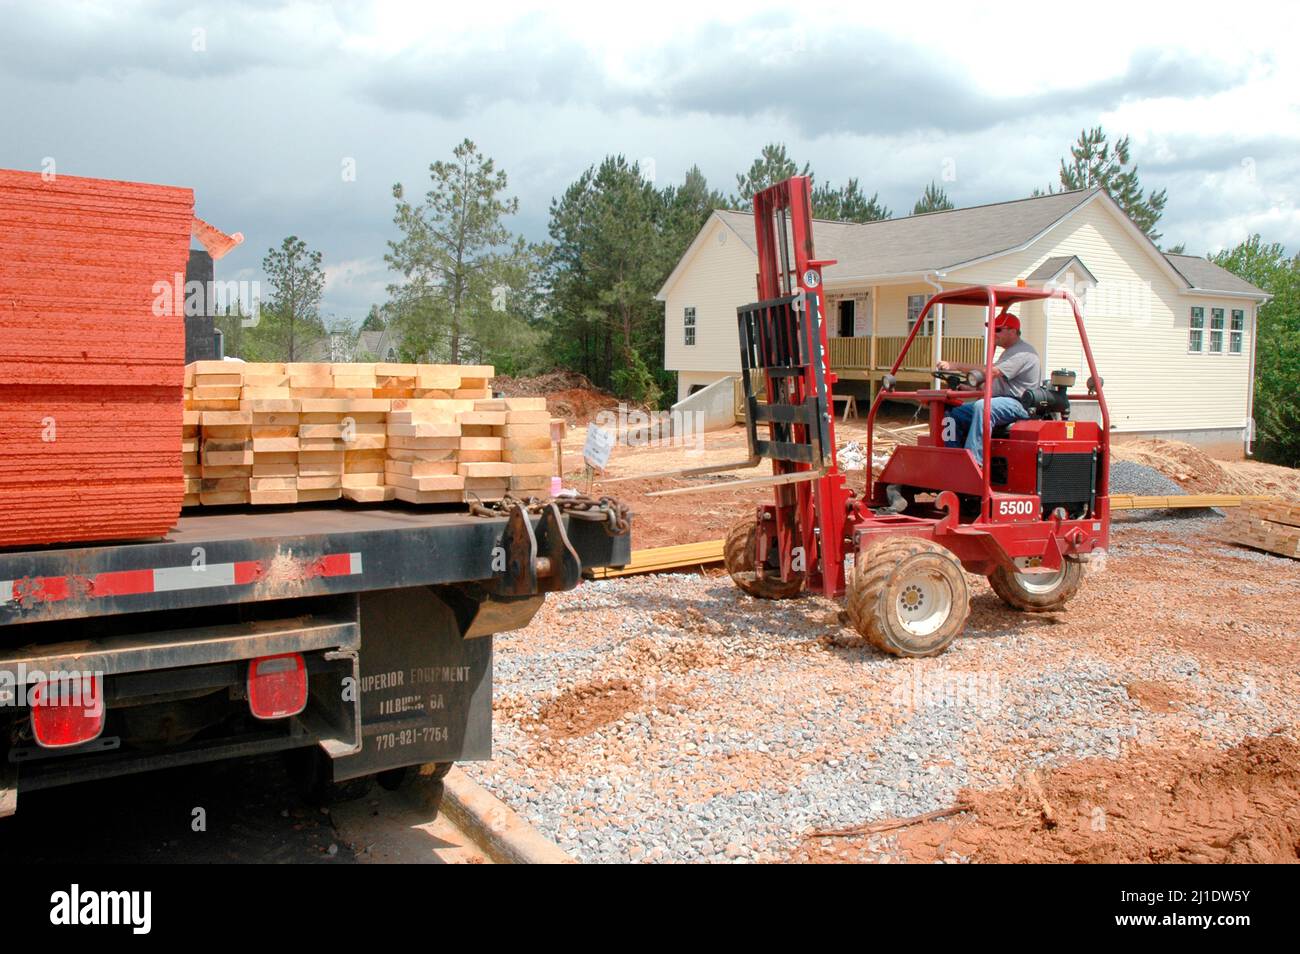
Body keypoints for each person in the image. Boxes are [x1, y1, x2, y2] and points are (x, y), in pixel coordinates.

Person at [937, 310, 1041, 466]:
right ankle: (953, 458)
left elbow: (992, 372)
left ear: (1013, 331)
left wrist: (955, 365)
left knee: (983, 407)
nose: (994, 333)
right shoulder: (1008, 353)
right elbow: (996, 384)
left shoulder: (1023, 352)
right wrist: (965, 388)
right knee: (952, 415)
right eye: (992, 329)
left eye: (998, 329)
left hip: (1019, 404)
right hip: (1001, 400)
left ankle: (974, 462)